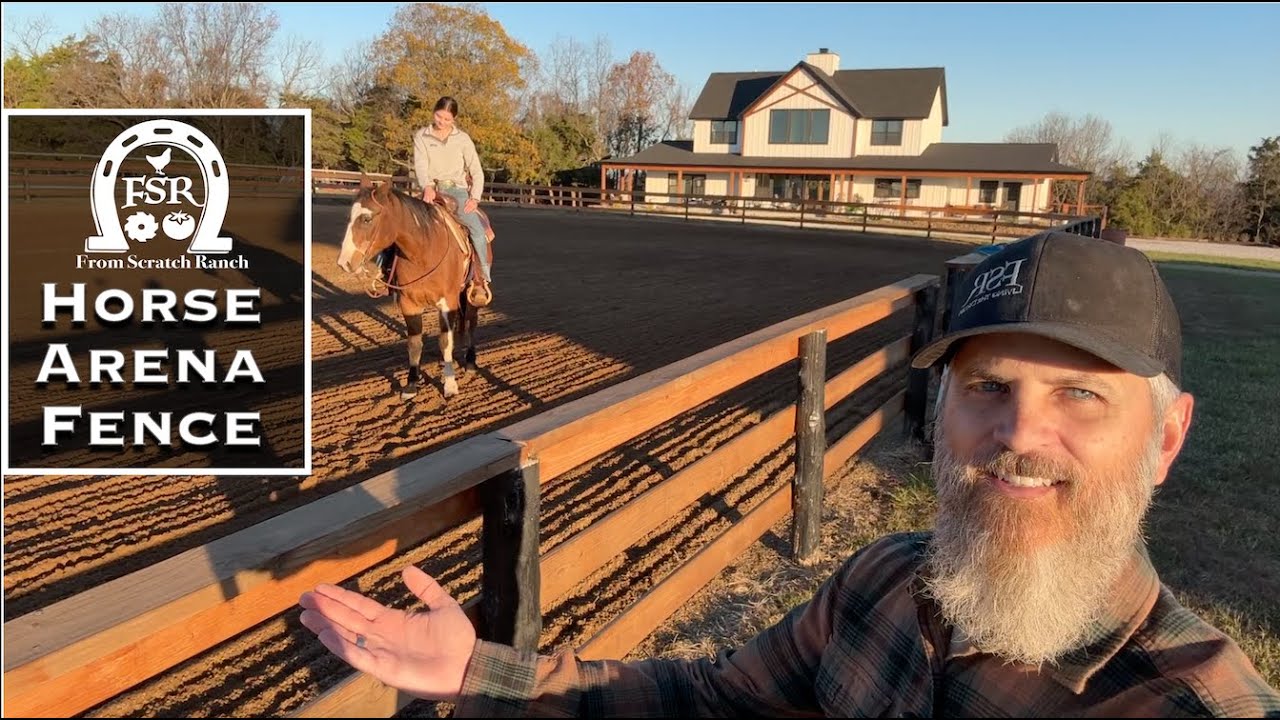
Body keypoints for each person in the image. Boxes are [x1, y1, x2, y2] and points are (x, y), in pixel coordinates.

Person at [299, 231, 1280, 716]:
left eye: (1081, 396)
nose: (1017, 433)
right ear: (941, 412)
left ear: (1165, 438)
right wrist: (476, 670)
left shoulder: (1187, 706)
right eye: (987, 388)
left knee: (469, 234)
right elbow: (711, 698)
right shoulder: (883, 584)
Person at [376, 96, 491, 293]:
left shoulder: (463, 139)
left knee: (477, 230)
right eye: (439, 116)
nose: (442, 122)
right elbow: (421, 165)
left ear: (454, 119)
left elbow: (476, 170)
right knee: (397, 221)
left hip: (457, 191)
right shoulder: (422, 136)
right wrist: (427, 186)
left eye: (447, 119)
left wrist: (474, 197)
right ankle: (384, 271)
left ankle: (481, 279)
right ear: (433, 112)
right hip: (431, 189)